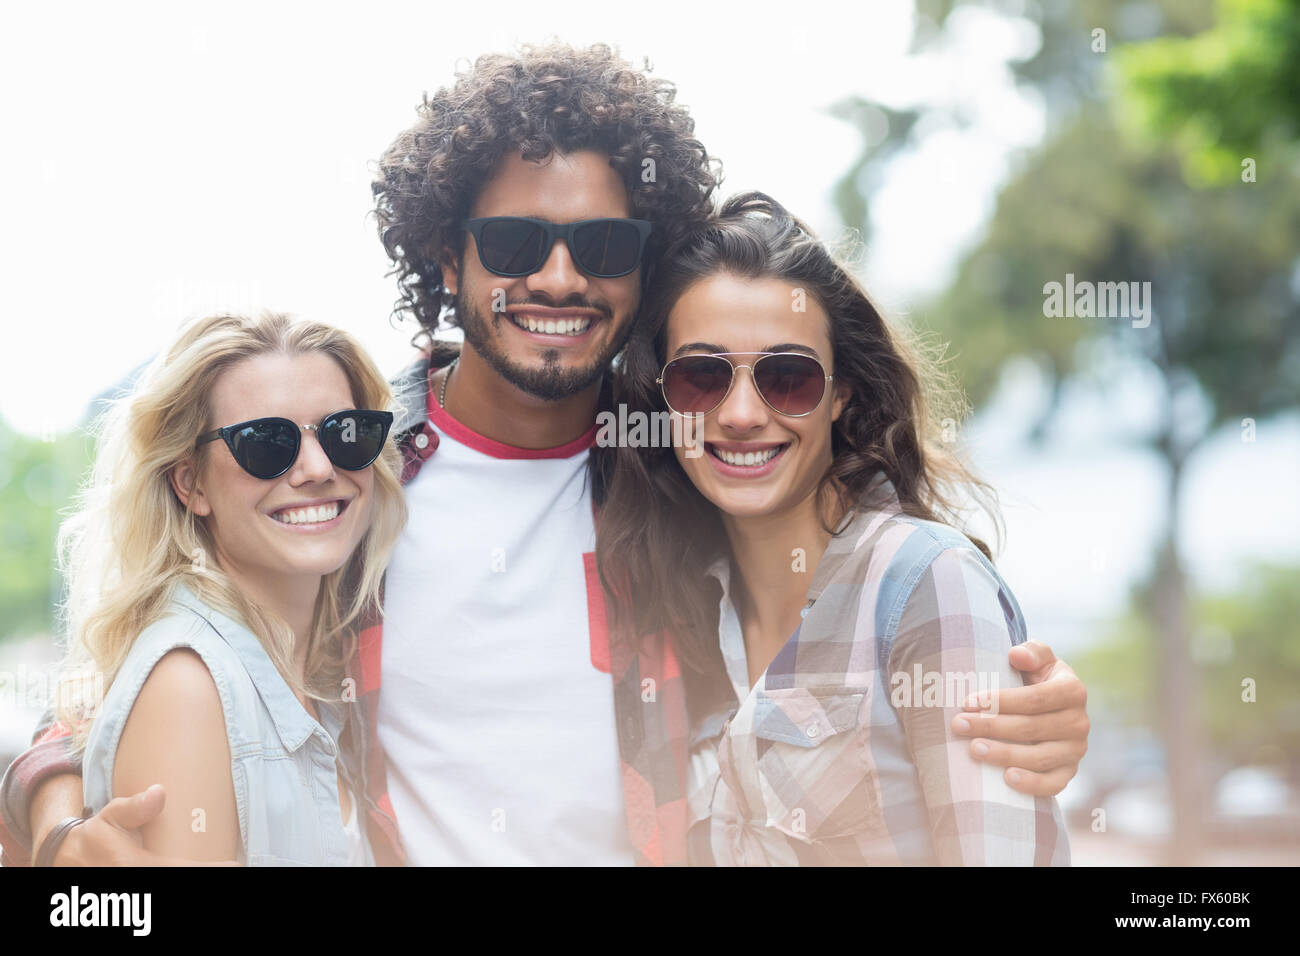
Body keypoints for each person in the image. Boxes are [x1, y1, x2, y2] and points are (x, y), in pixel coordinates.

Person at [0, 43, 1088, 868]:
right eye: (516, 242)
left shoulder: (687, 462)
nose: (560, 277)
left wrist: (1021, 699)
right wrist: (57, 816)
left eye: (604, 245)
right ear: (447, 253)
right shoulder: (348, 470)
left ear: (641, 265)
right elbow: (145, 666)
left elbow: (871, 599)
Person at [597, 193, 1070, 864]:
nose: (739, 414)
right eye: (701, 377)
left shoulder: (926, 586)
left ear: (841, 391)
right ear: (663, 399)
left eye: (786, 377)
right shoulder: (678, 618)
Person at [31, 312, 406, 865]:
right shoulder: (189, 686)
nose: (319, 467)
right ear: (190, 483)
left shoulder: (321, 660)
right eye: (266, 443)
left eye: (344, 433)